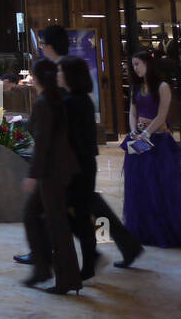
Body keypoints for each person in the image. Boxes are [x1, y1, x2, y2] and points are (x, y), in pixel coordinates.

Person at [58, 55, 144, 277]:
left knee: (73, 213)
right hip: (85, 164)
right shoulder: (82, 100)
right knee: (90, 207)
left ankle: (92, 261)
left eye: (60, 71)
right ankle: (126, 246)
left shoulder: (72, 102)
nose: (57, 74)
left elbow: (72, 139)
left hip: (77, 166)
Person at [121, 50, 181, 249]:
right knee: (140, 185)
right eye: (133, 65)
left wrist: (146, 133)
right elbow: (132, 110)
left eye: (138, 64)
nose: (135, 68)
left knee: (161, 186)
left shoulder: (162, 87)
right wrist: (134, 131)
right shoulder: (136, 87)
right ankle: (144, 230)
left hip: (159, 142)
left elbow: (162, 116)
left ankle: (166, 230)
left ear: (147, 64)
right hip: (139, 141)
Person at [21, 57, 82, 295]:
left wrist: (33, 175)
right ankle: (42, 269)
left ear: (35, 78)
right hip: (56, 169)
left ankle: (66, 278)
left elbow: (44, 143)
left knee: (57, 225)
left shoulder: (45, 102)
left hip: (51, 171)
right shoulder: (52, 100)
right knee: (34, 216)